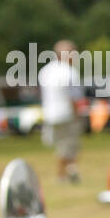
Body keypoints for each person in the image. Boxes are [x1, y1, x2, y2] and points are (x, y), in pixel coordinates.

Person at [38, 40, 83, 183]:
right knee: (67, 147)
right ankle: (63, 175)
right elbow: (74, 98)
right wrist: (78, 113)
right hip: (66, 114)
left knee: (62, 146)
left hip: (50, 113)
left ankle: (70, 172)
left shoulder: (46, 70)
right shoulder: (69, 72)